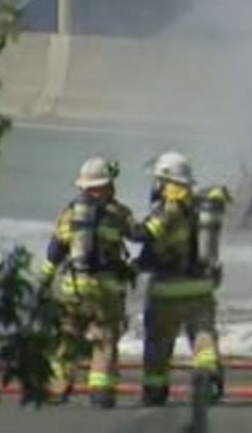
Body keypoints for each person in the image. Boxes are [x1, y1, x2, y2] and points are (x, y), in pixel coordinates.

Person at [39, 156, 141, 408]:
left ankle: (56, 388)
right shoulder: (118, 213)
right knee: (104, 339)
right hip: (104, 290)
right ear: (105, 185)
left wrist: (44, 279)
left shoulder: (69, 213)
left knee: (68, 336)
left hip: (72, 287)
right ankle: (101, 392)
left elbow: (55, 250)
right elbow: (139, 235)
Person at [136, 151, 227, 406]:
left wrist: (134, 262)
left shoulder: (168, 209)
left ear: (165, 180)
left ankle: (155, 390)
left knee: (158, 343)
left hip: (167, 288)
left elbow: (150, 244)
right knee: (203, 335)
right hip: (200, 288)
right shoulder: (199, 206)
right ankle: (207, 376)